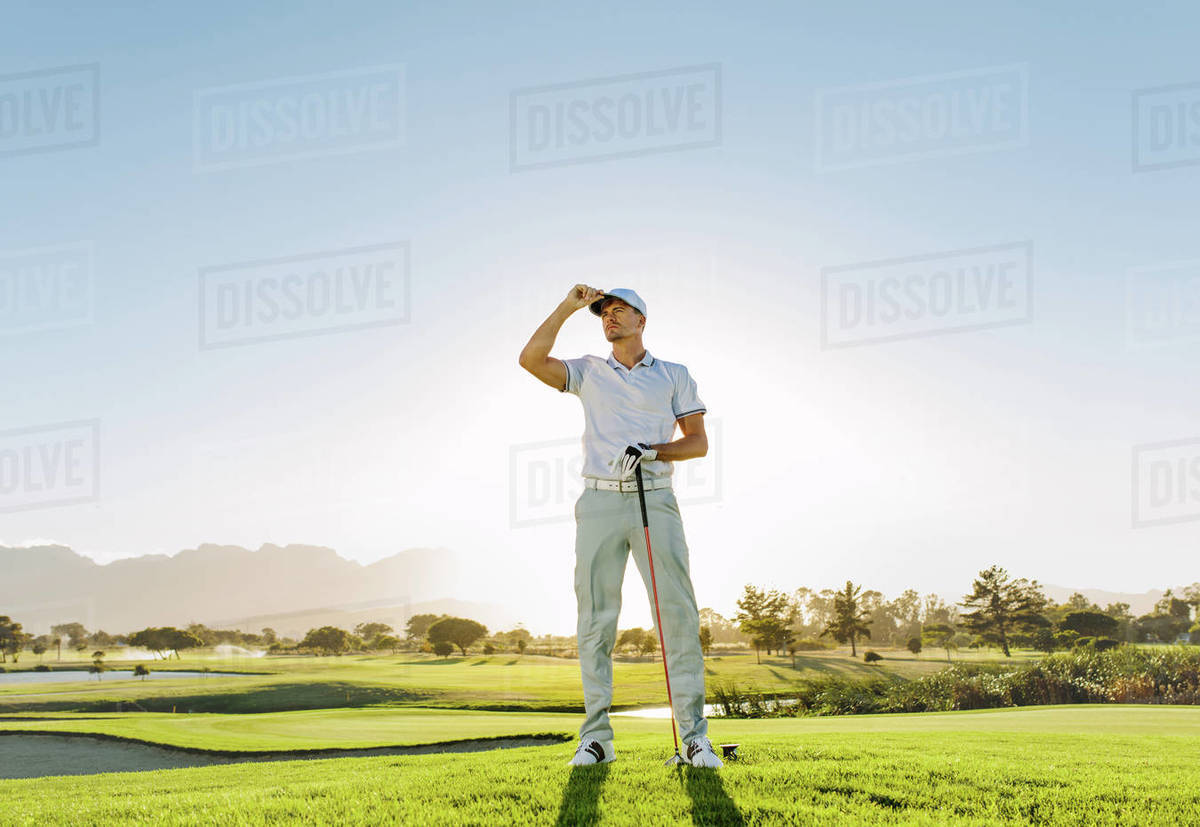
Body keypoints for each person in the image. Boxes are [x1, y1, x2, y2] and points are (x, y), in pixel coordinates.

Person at [518, 284, 722, 769]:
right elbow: (530, 359)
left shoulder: (673, 374)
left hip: (655, 500)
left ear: (641, 320)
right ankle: (596, 740)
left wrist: (655, 451)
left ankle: (694, 739)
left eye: (619, 311)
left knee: (677, 617)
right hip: (598, 502)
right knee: (595, 621)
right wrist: (568, 306)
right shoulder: (588, 371)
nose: (609, 318)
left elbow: (697, 443)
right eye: (603, 313)